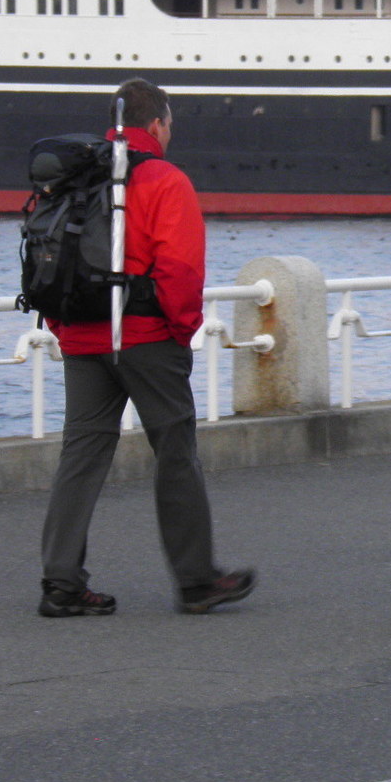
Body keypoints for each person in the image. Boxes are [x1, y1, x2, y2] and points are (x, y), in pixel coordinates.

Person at [37, 77, 253, 618]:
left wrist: (66, 327)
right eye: (170, 124)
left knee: (81, 456)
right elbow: (180, 270)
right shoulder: (164, 179)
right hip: (147, 337)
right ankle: (197, 580)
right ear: (156, 124)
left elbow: (48, 253)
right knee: (175, 454)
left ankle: (61, 582)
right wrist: (181, 333)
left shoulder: (72, 174)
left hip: (82, 334)